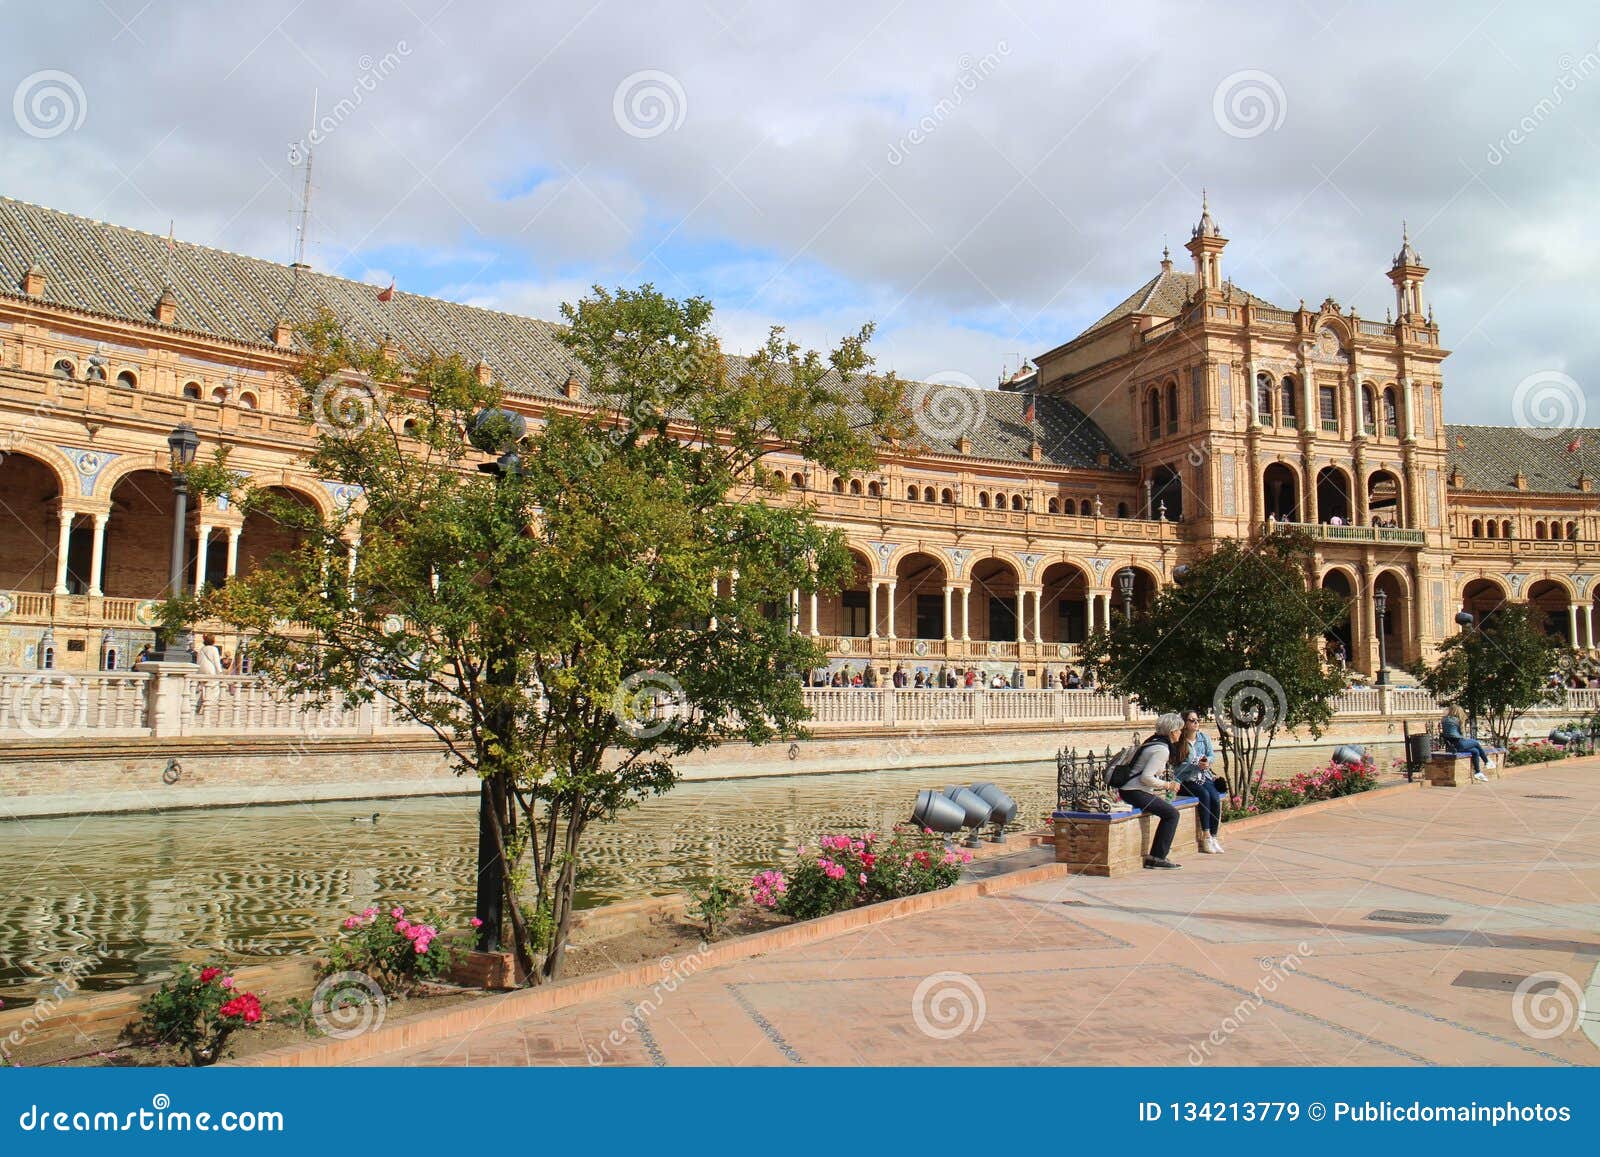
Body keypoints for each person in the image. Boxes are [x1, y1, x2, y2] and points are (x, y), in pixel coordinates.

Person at [1117, 712, 1186, 869]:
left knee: (1168, 811)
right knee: (1172, 814)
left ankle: (1156, 856)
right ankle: (1157, 857)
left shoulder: (1153, 742)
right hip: (1134, 791)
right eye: (1179, 730)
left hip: (1132, 790)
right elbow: (1146, 778)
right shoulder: (1162, 749)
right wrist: (1168, 785)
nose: (1180, 733)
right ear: (1172, 731)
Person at [1173, 710, 1225, 854]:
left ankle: (1214, 836)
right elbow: (1176, 766)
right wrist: (1194, 764)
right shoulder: (1179, 742)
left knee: (1214, 796)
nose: (1196, 723)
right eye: (1192, 720)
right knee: (1204, 795)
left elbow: (1211, 756)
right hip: (1186, 780)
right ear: (1185, 723)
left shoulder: (1203, 738)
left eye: (1197, 720)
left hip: (1204, 776)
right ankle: (1206, 834)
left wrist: (1207, 762)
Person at [1440, 704, 1491, 781]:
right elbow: (1461, 735)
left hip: (1452, 747)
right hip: (1459, 744)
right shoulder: (1457, 720)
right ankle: (1487, 762)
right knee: (1476, 743)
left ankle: (1478, 772)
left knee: (1475, 751)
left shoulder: (1444, 720)